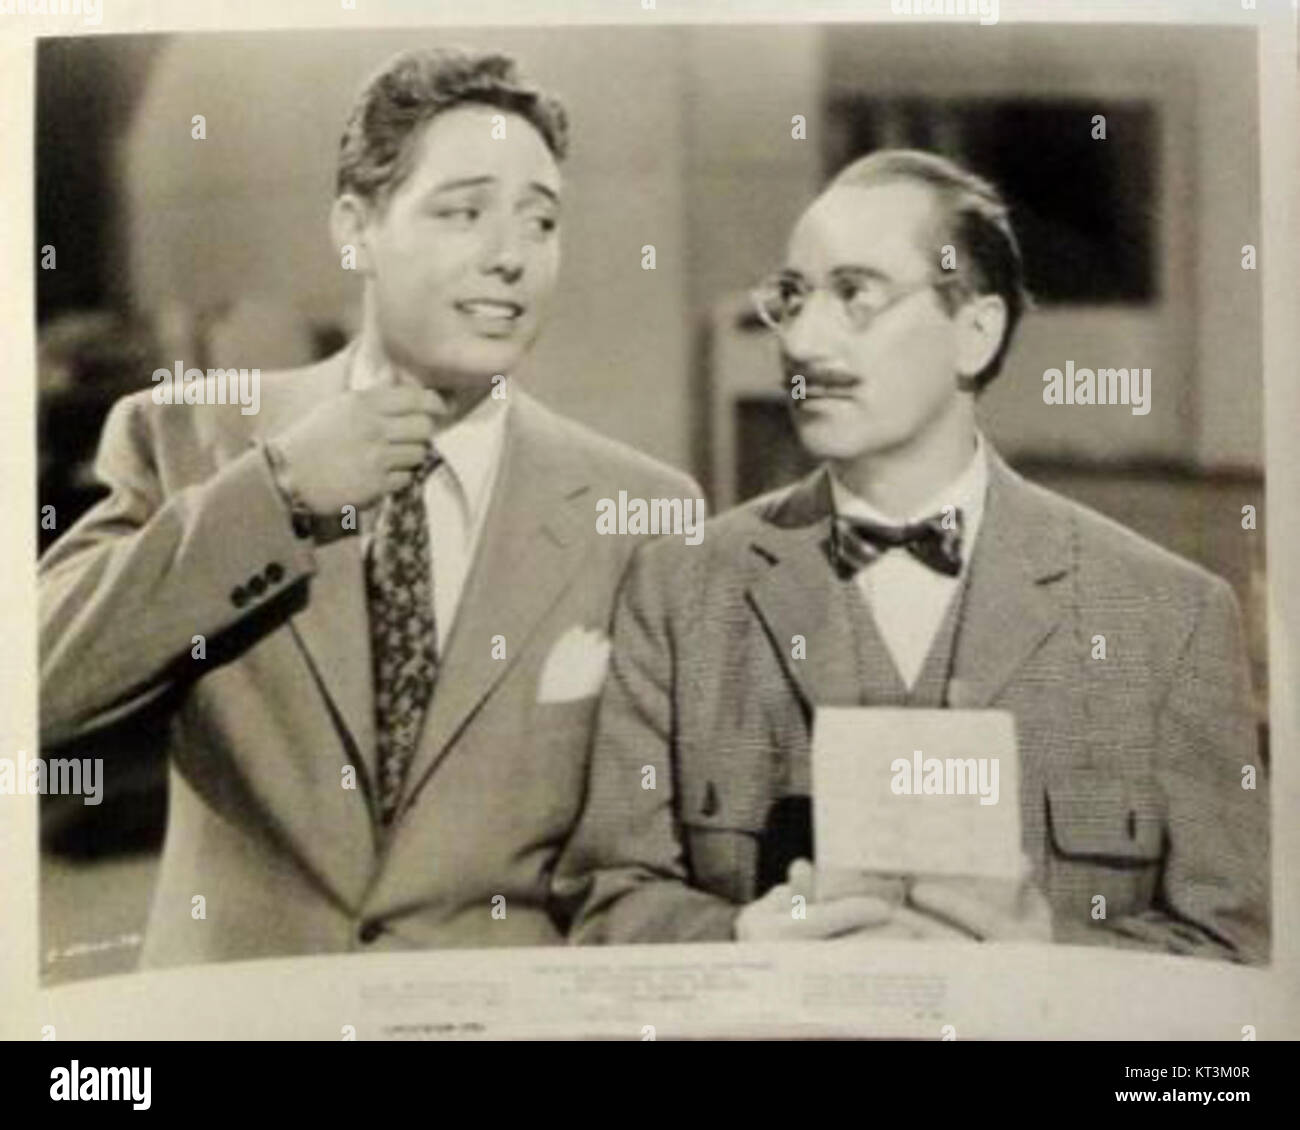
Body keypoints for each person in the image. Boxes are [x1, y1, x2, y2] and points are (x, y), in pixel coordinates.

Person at [39, 47, 698, 967]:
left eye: (541, 222)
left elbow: (636, 869)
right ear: (355, 227)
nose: (510, 257)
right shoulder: (189, 439)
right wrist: (276, 494)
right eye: (463, 212)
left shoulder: (643, 510)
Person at [554, 149, 1268, 961]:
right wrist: (733, 940)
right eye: (791, 297)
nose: (803, 340)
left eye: (856, 294)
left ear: (974, 331)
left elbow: (1234, 948)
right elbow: (606, 898)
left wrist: (1059, 959)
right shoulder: (679, 590)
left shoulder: (1168, 617)